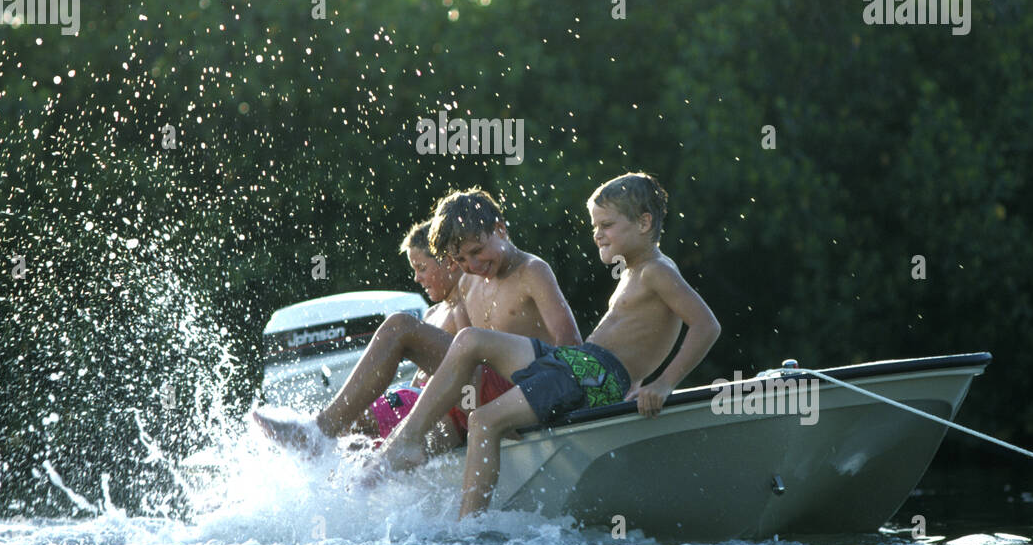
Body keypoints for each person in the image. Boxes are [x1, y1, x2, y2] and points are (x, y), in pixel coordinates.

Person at [372, 172, 722, 518]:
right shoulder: (635, 271)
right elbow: (641, 337)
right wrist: (638, 378)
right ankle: (412, 440)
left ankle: (466, 527)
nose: (597, 234)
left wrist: (664, 383)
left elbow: (706, 325)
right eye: (595, 226)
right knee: (470, 342)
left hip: (590, 372)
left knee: (484, 420)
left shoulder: (655, 270)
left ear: (644, 223)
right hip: (579, 366)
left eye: (607, 225)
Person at [256, 191, 581, 450]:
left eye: (477, 251)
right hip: (478, 394)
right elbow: (464, 356)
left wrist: (510, 412)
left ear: (500, 229)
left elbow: (572, 350)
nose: (472, 264)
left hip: (528, 390)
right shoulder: (468, 283)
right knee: (381, 438)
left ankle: (320, 431)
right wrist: (470, 414)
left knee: (400, 327)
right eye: (461, 259)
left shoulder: (532, 271)